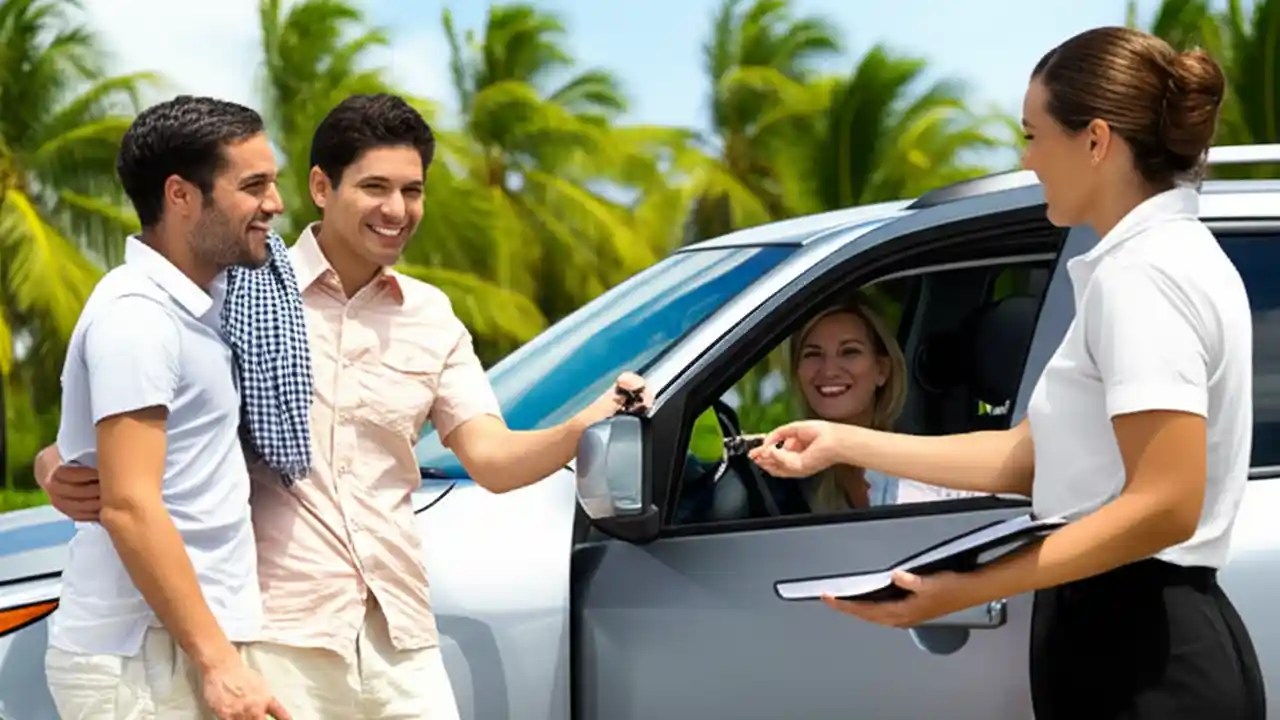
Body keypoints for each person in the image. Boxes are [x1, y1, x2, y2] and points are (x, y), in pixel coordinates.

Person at [39, 92, 648, 720]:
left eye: (412, 191)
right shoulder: (234, 289)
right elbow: (131, 410)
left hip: (399, 631)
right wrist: (61, 464)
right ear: (321, 187)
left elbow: (491, 458)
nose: (396, 210)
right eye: (375, 187)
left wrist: (585, 423)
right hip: (277, 633)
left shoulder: (430, 316)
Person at [750, 26, 1264, 720]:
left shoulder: (1144, 276)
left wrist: (969, 589)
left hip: (1144, 655)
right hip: (1131, 640)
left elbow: (1166, 503)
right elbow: (1030, 457)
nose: (1026, 160)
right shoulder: (1153, 261)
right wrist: (844, 441)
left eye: (1033, 136)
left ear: (1095, 141)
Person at [41, 96, 290, 719]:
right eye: (253, 185)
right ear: (180, 195)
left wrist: (53, 461)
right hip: (146, 657)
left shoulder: (205, 305)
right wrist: (218, 662)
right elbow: (130, 506)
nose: (276, 204)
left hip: (176, 645)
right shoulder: (139, 318)